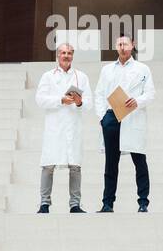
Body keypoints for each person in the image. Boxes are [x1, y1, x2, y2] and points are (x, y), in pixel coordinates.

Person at [93, 34, 156, 212]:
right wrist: (102, 117)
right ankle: (107, 203)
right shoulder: (107, 70)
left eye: (125, 44)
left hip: (132, 116)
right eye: (119, 44)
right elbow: (99, 94)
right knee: (110, 163)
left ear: (132, 45)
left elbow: (150, 94)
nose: (122, 47)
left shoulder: (143, 68)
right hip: (111, 117)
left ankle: (143, 202)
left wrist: (138, 101)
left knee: (139, 160)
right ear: (116, 46)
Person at [34, 42, 92, 213]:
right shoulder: (48, 76)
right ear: (57, 55)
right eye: (63, 53)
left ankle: (75, 204)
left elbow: (90, 103)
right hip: (55, 127)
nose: (66, 56)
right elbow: (40, 99)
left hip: (73, 127)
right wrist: (60, 100)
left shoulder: (81, 77)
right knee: (48, 165)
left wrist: (80, 102)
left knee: (75, 166)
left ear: (73, 55)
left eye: (69, 53)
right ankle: (44, 203)